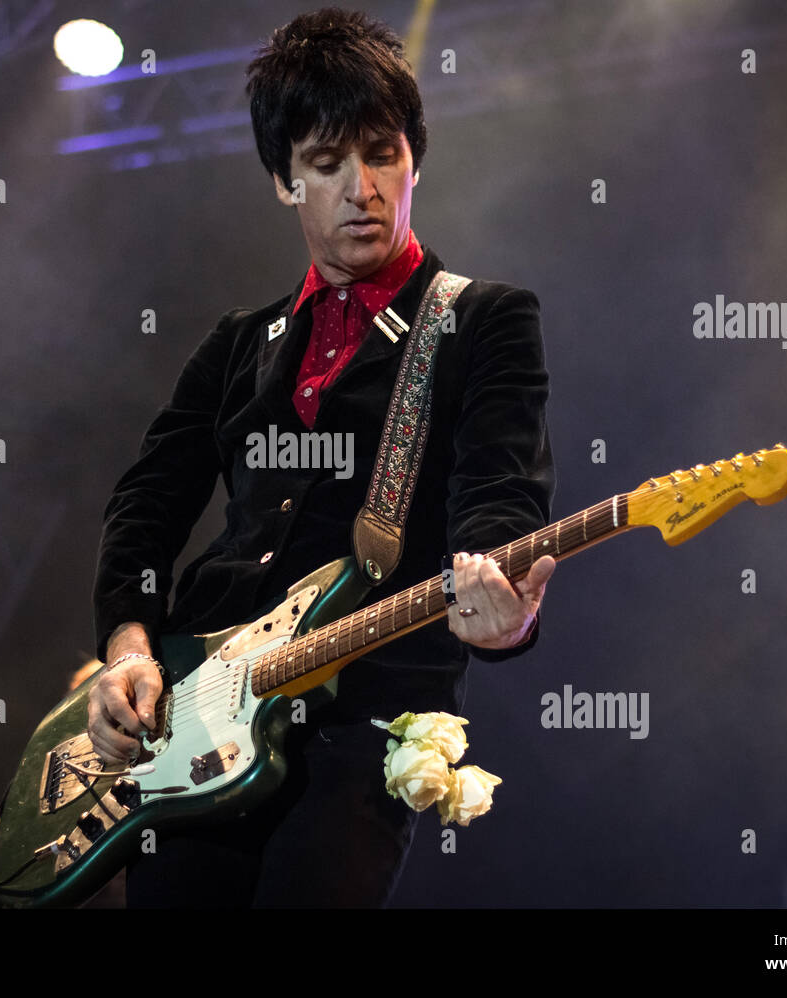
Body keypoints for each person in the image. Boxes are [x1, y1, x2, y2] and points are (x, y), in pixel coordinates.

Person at [87, 8, 557, 907]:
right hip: (191, 722)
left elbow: (500, 489)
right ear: (284, 182)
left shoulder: (482, 319)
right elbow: (146, 505)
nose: (364, 189)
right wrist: (127, 645)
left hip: (359, 727)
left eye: (383, 154)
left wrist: (504, 606)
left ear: (415, 157)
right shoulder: (236, 344)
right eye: (328, 164)